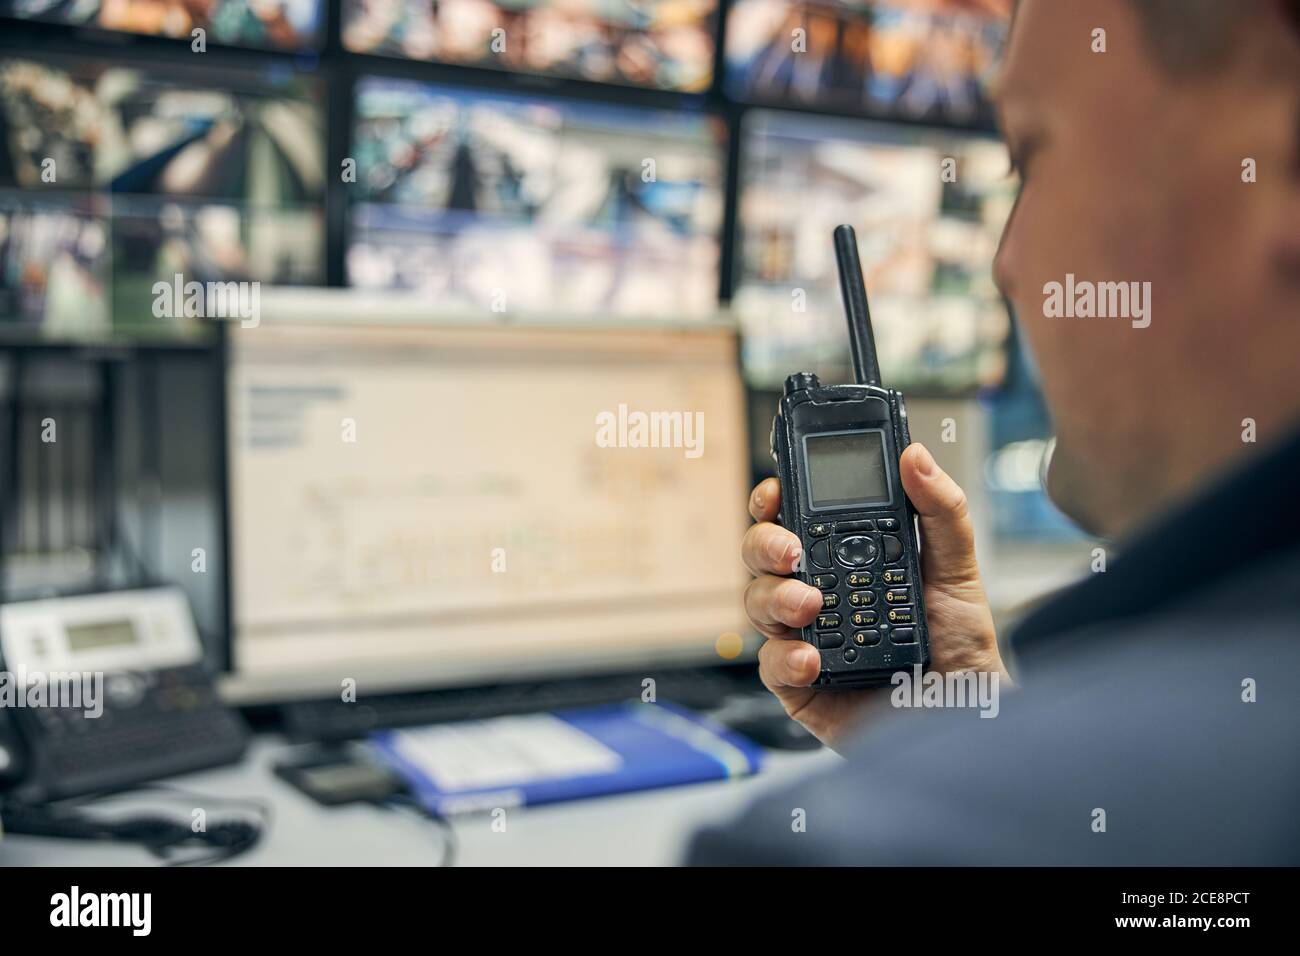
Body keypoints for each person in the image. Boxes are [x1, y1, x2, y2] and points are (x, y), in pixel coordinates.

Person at [689, 0, 1300, 865]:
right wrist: (966, 728)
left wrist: (968, 787)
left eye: (1030, 157)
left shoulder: (872, 845)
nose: (1006, 265)